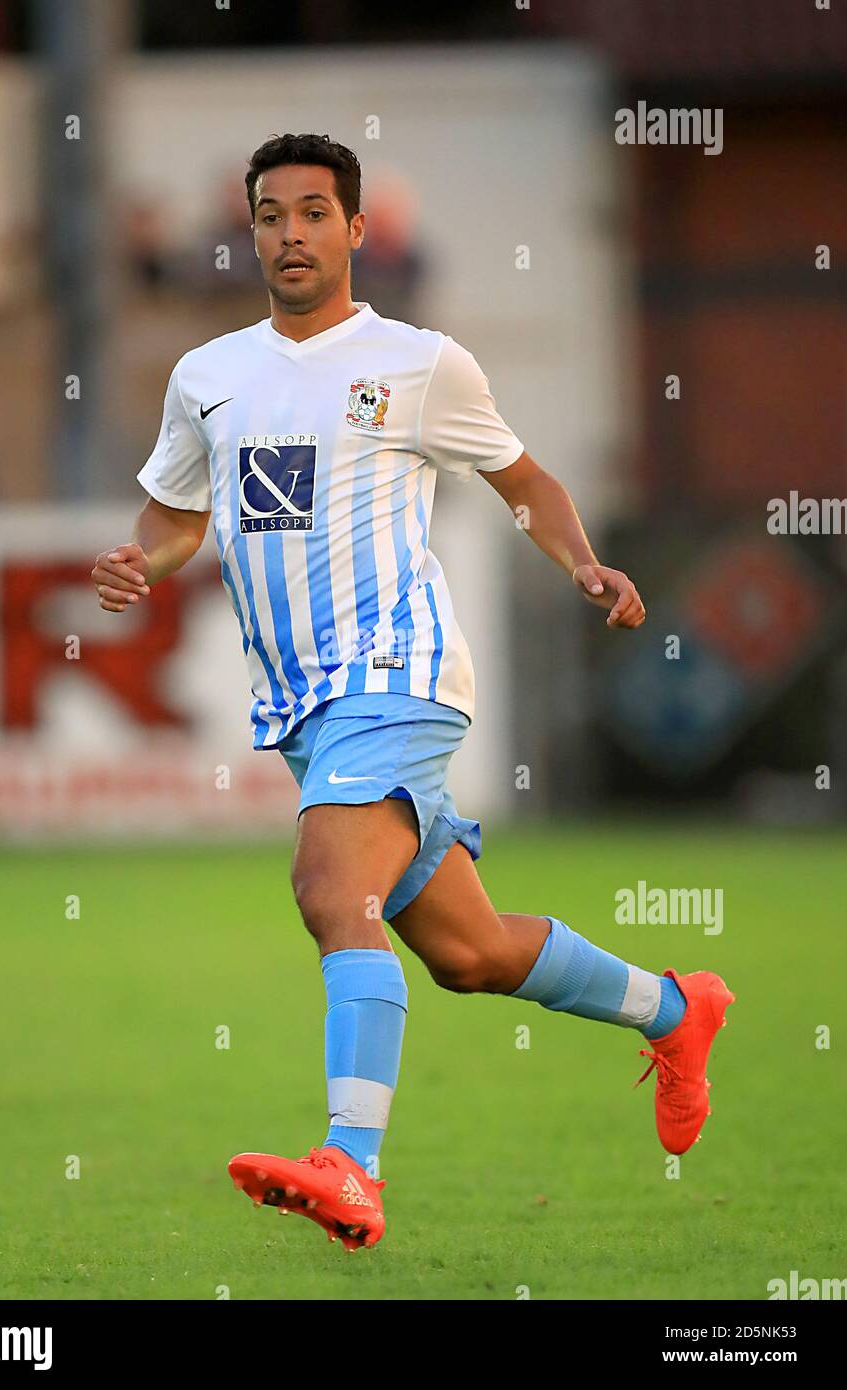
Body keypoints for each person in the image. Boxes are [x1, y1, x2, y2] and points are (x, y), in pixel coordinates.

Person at [91, 133, 734, 1253]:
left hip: (400, 676)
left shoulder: (421, 362)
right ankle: (678, 1011)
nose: (290, 233)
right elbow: (179, 514)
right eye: (270, 215)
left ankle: (352, 1163)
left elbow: (520, 479)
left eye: (312, 213)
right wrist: (141, 560)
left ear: (353, 230)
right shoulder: (207, 377)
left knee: (331, 888)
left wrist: (581, 561)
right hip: (304, 707)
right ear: (249, 231)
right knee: (468, 953)